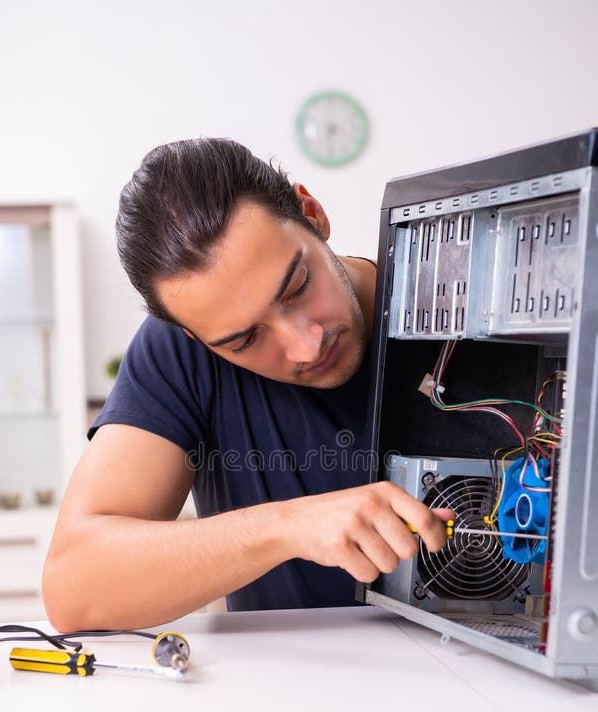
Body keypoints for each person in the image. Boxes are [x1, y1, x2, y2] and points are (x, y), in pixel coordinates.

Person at [43, 138, 452, 631]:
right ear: (196, 337)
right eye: (243, 340)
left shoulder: (464, 315)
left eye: (298, 287)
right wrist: (286, 526)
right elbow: (74, 588)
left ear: (312, 214)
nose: (306, 346)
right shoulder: (181, 352)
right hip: (292, 697)